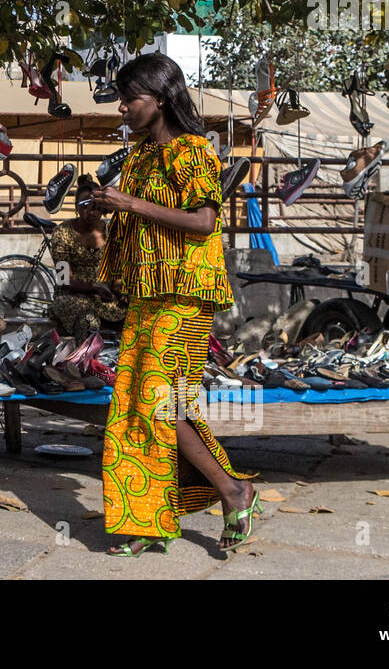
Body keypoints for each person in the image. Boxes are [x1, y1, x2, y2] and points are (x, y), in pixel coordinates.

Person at [89, 53, 258, 557]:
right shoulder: (138, 156)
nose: (122, 107)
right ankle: (147, 520)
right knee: (135, 406)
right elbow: (138, 224)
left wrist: (130, 204)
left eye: (130, 98)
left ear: (160, 99)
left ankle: (233, 490)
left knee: (161, 403)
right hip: (147, 295)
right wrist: (107, 214)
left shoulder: (193, 152)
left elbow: (205, 221)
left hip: (186, 298)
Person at [49, 174, 128, 336]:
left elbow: (117, 273)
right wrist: (94, 288)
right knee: (88, 322)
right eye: (85, 204)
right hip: (72, 296)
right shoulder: (62, 232)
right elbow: (64, 279)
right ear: (77, 206)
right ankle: (83, 360)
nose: (92, 211)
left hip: (106, 298)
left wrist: (121, 292)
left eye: (97, 205)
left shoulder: (111, 232)